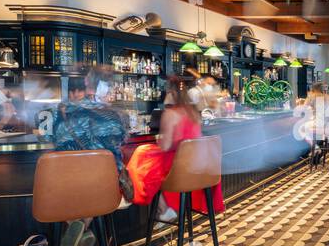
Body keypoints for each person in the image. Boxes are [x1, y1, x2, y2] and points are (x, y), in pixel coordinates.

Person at [128, 76, 225, 223]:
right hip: (198, 167)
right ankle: (164, 209)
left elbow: (165, 146)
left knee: (140, 158)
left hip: (178, 170)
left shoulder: (170, 114)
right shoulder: (193, 112)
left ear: (172, 93)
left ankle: (163, 208)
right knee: (145, 157)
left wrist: (160, 140)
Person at [52, 69, 131, 201]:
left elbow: (47, 137)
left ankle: (76, 218)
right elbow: (122, 141)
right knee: (98, 175)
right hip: (105, 184)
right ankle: (85, 216)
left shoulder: (58, 113)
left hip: (65, 184)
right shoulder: (114, 115)